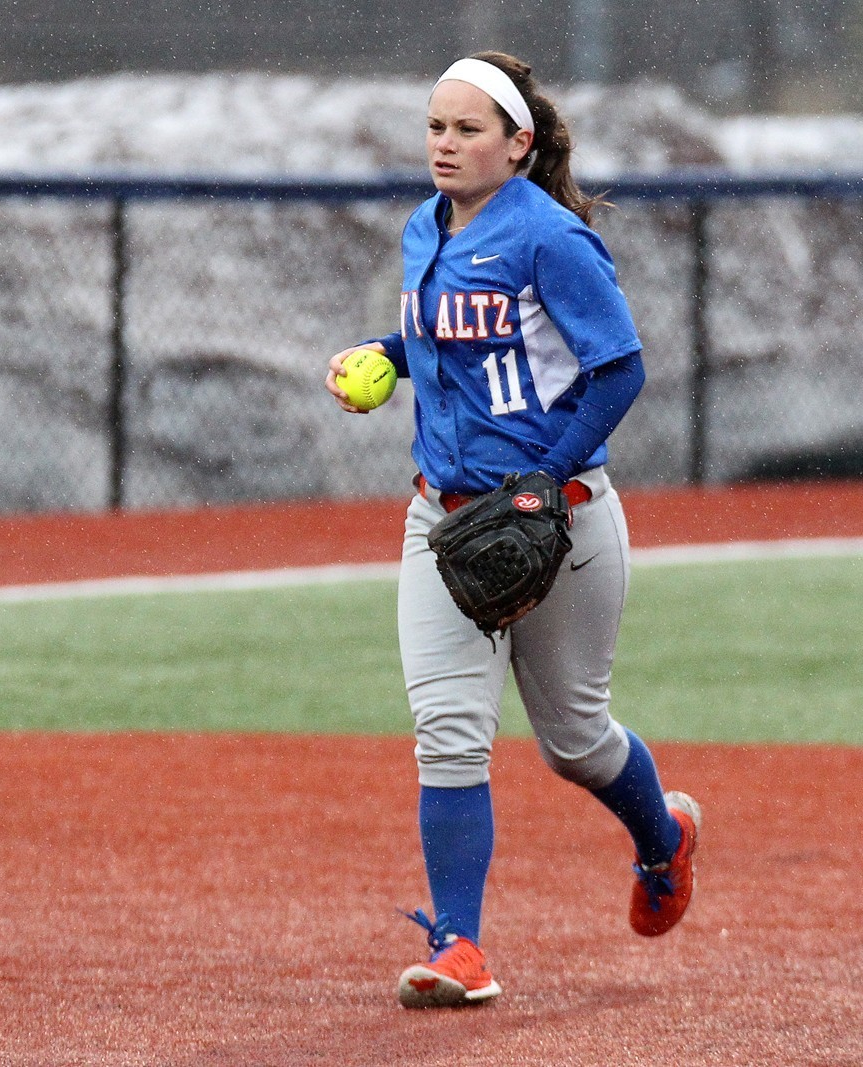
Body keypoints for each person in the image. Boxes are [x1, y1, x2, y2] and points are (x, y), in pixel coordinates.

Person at [325, 51, 701, 1010]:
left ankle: (663, 839)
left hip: (560, 520)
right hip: (443, 523)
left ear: (518, 144)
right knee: (449, 733)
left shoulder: (552, 239)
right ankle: (460, 946)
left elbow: (617, 369)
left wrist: (549, 471)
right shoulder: (424, 228)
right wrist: (385, 353)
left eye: (467, 130)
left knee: (573, 740)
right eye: (436, 127)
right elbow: (446, 336)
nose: (444, 145)